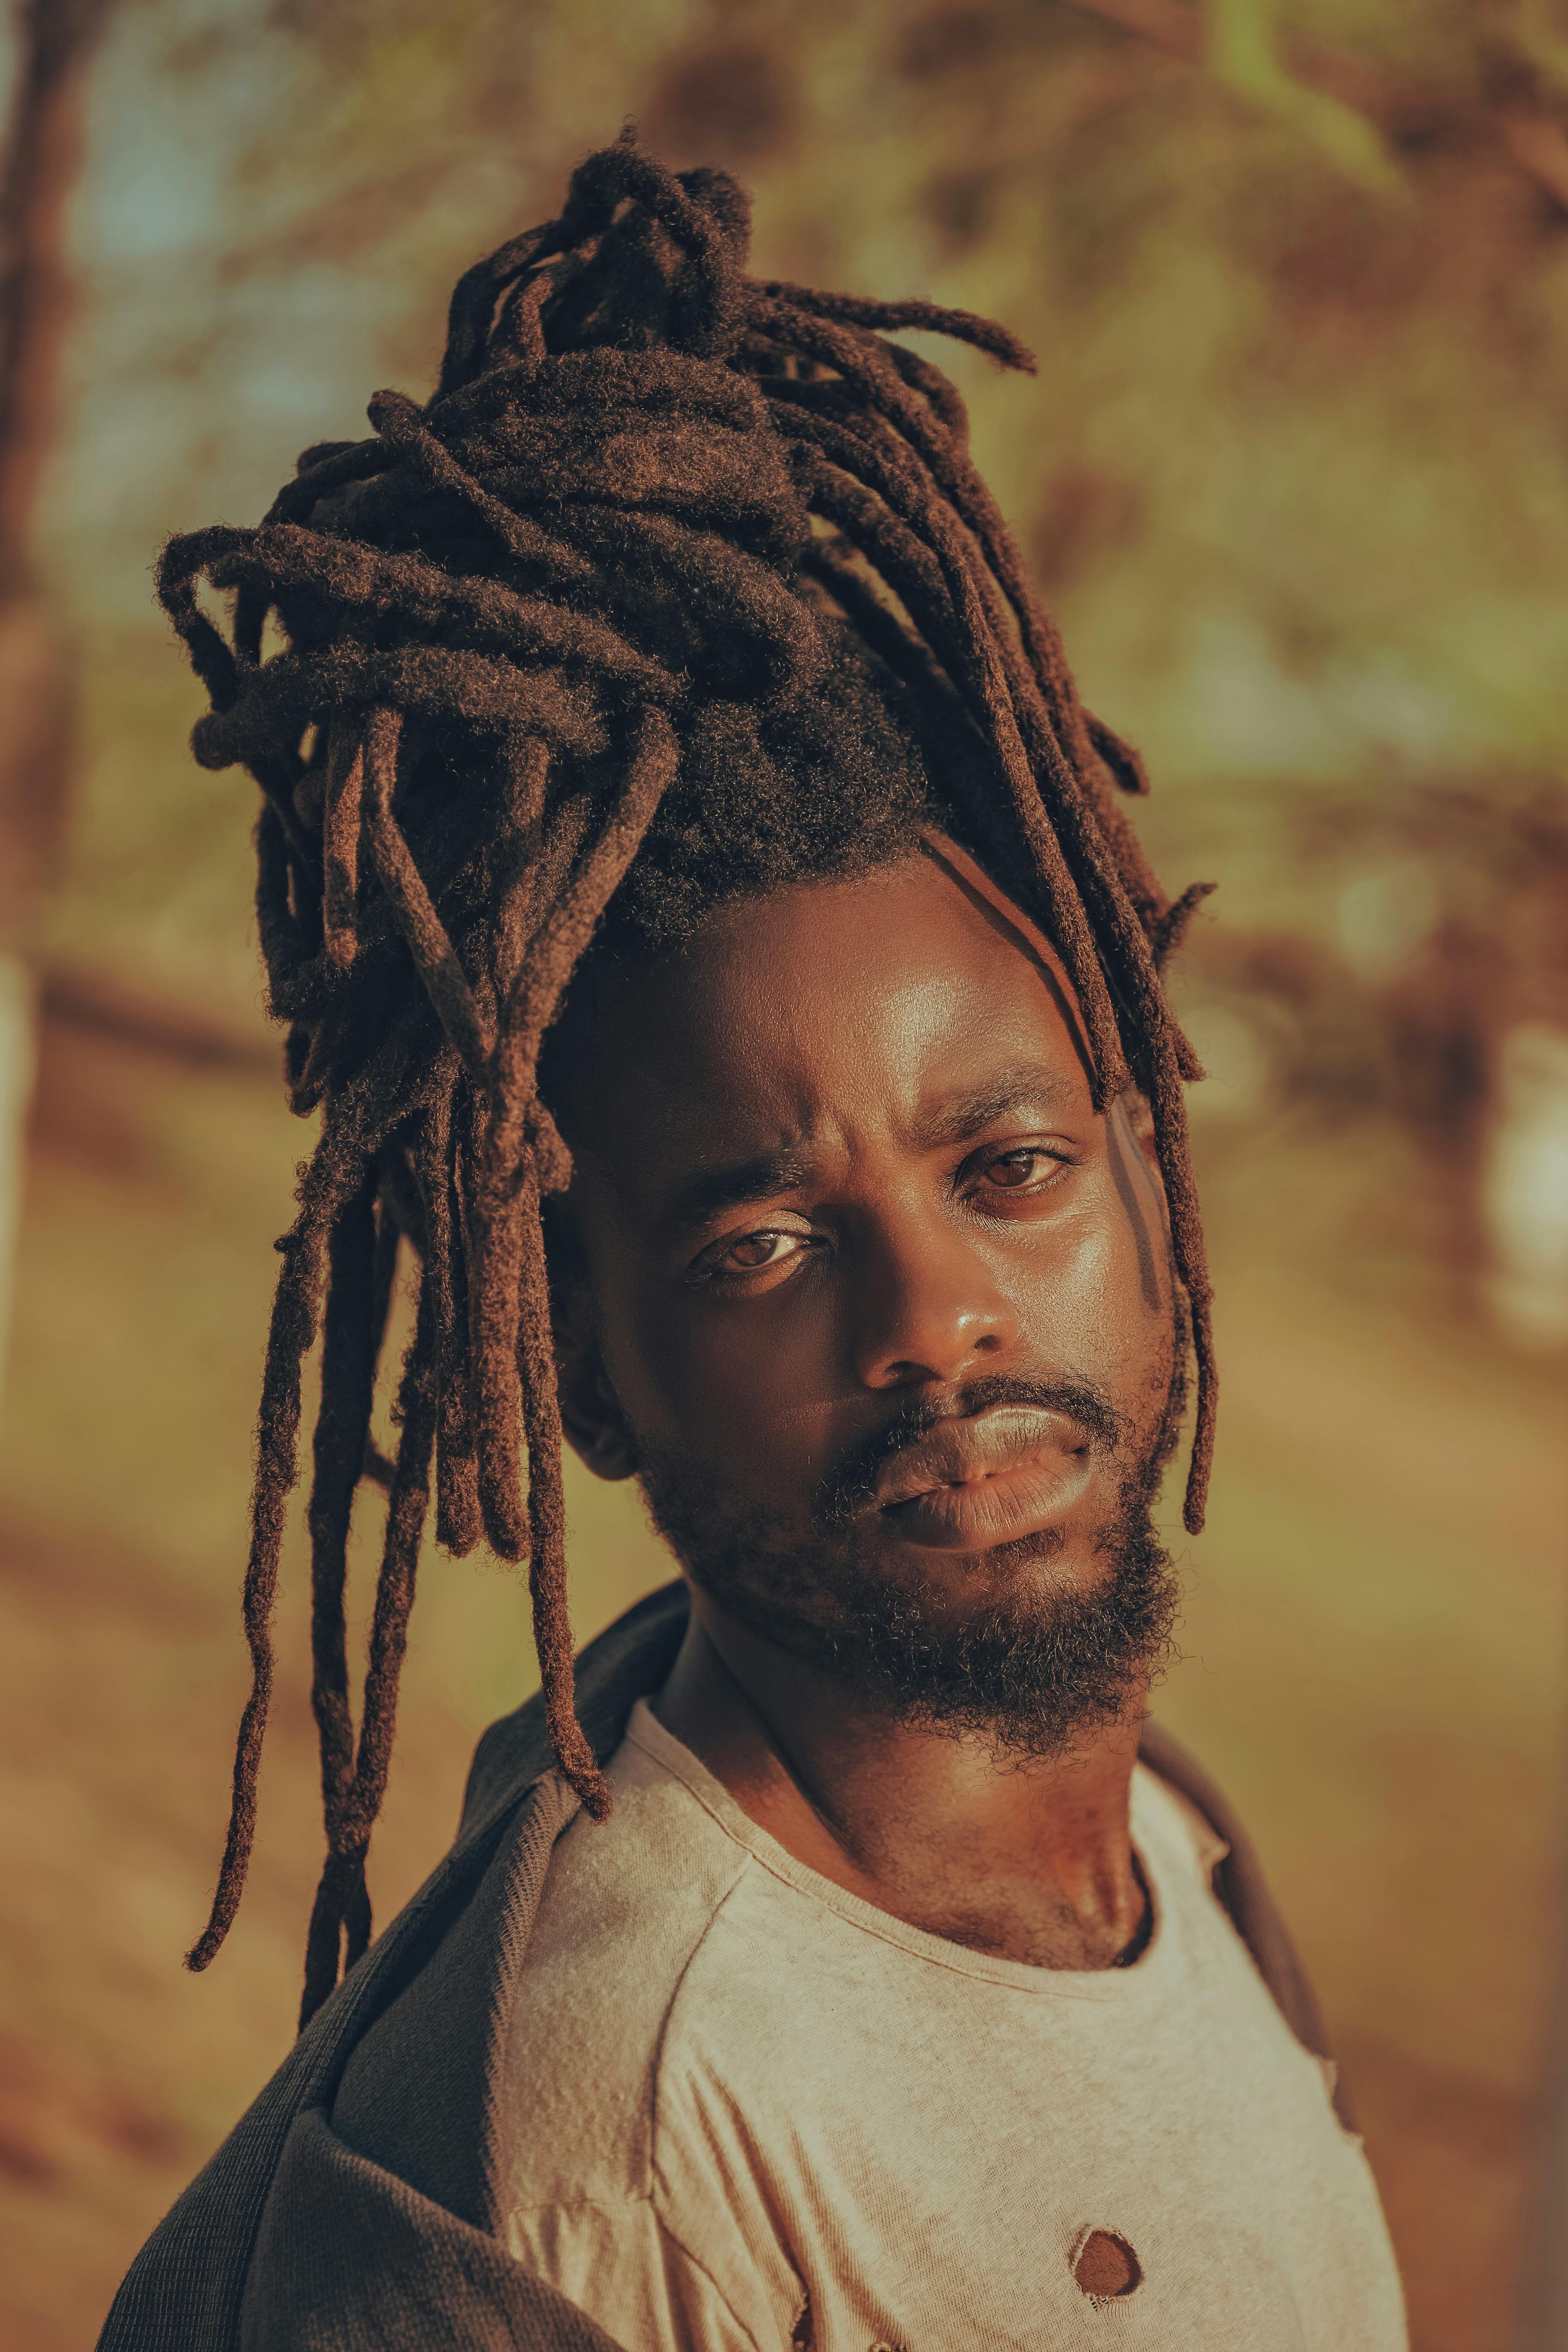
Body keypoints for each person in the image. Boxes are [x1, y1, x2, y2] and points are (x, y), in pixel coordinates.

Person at [99, 135, 1406, 2350]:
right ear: (583, 1367)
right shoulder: (589, 2147)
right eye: (765, 1244)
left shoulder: (1172, 1854)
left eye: (1010, 1171)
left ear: (1152, 1185)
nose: (943, 1321)